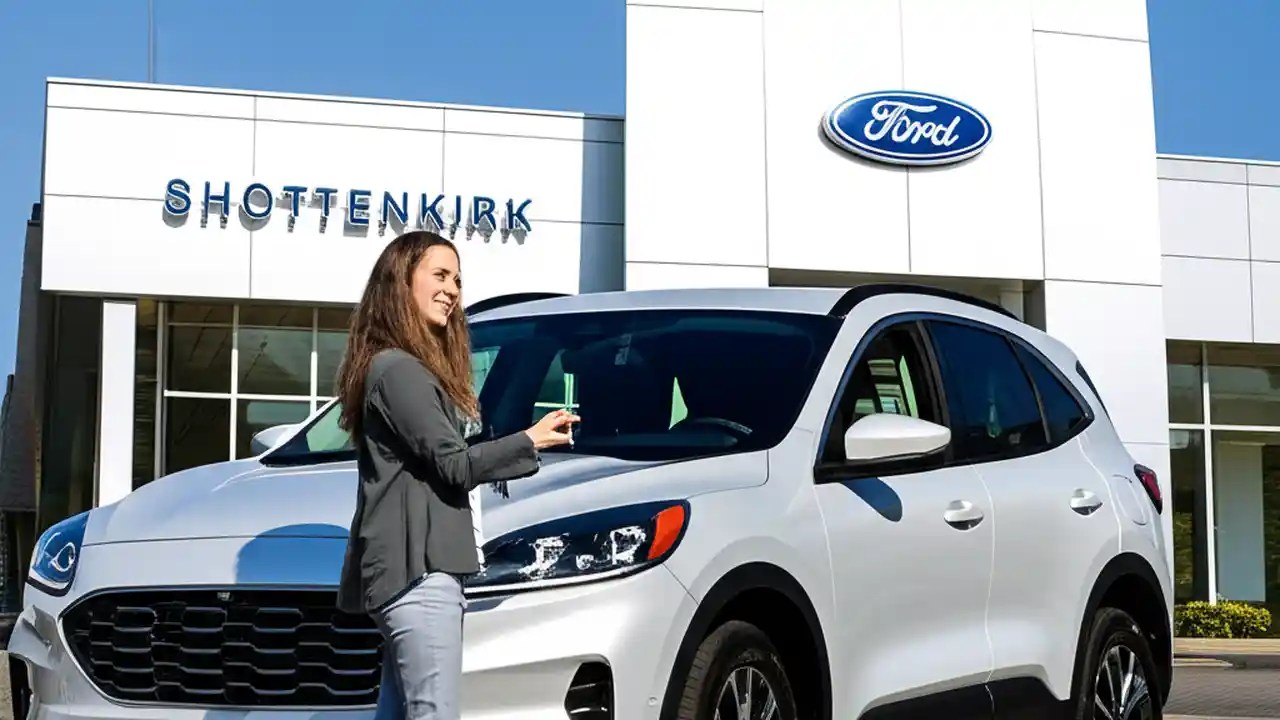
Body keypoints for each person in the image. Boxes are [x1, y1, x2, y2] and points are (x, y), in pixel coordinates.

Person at [334, 230, 579, 719]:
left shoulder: (396, 369)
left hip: (412, 571)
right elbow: (454, 464)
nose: (452, 289)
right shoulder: (399, 371)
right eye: (440, 275)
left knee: (403, 712)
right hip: (419, 572)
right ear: (401, 282)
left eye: (458, 279)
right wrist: (530, 439)